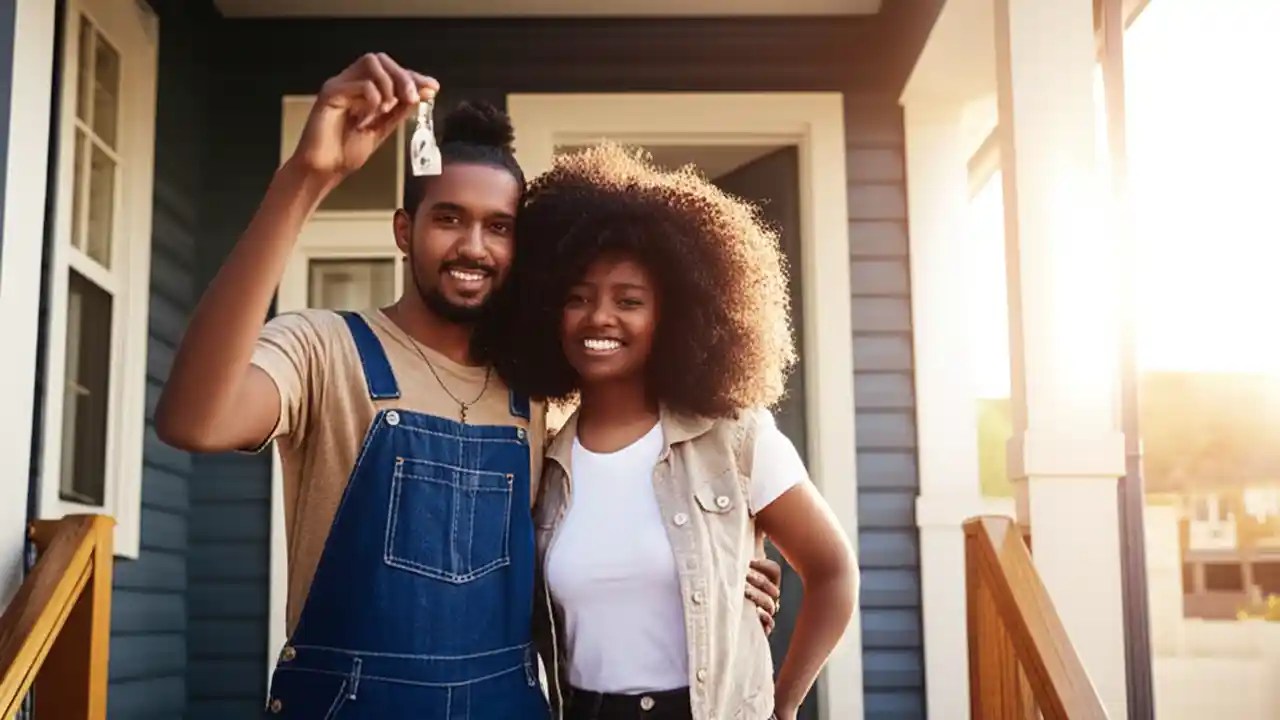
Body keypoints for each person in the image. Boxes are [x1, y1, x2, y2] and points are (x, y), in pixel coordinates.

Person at [155, 53, 781, 718]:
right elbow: (195, 420)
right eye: (449, 218)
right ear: (405, 230)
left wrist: (705, 568)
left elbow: (622, 491)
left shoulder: (536, 388)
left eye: (499, 227)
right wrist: (307, 179)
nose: (474, 246)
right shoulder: (322, 348)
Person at [488, 143, 859, 720]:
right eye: (577, 299)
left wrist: (781, 708)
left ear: (675, 313)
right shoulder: (541, 460)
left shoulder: (734, 440)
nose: (599, 318)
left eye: (629, 301)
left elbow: (834, 572)